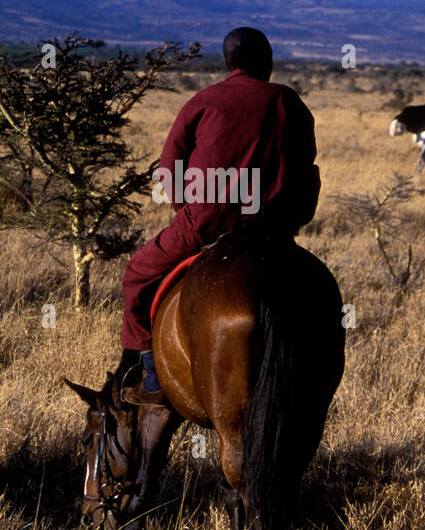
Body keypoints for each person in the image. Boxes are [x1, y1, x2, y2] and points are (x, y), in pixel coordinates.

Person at [118, 27, 320, 405]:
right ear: (268, 61)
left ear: (228, 62)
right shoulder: (287, 100)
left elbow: (167, 168)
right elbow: (306, 165)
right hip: (273, 227)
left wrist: (190, 213)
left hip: (205, 223)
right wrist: (293, 214)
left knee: (136, 276)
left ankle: (149, 376)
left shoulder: (202, 101)